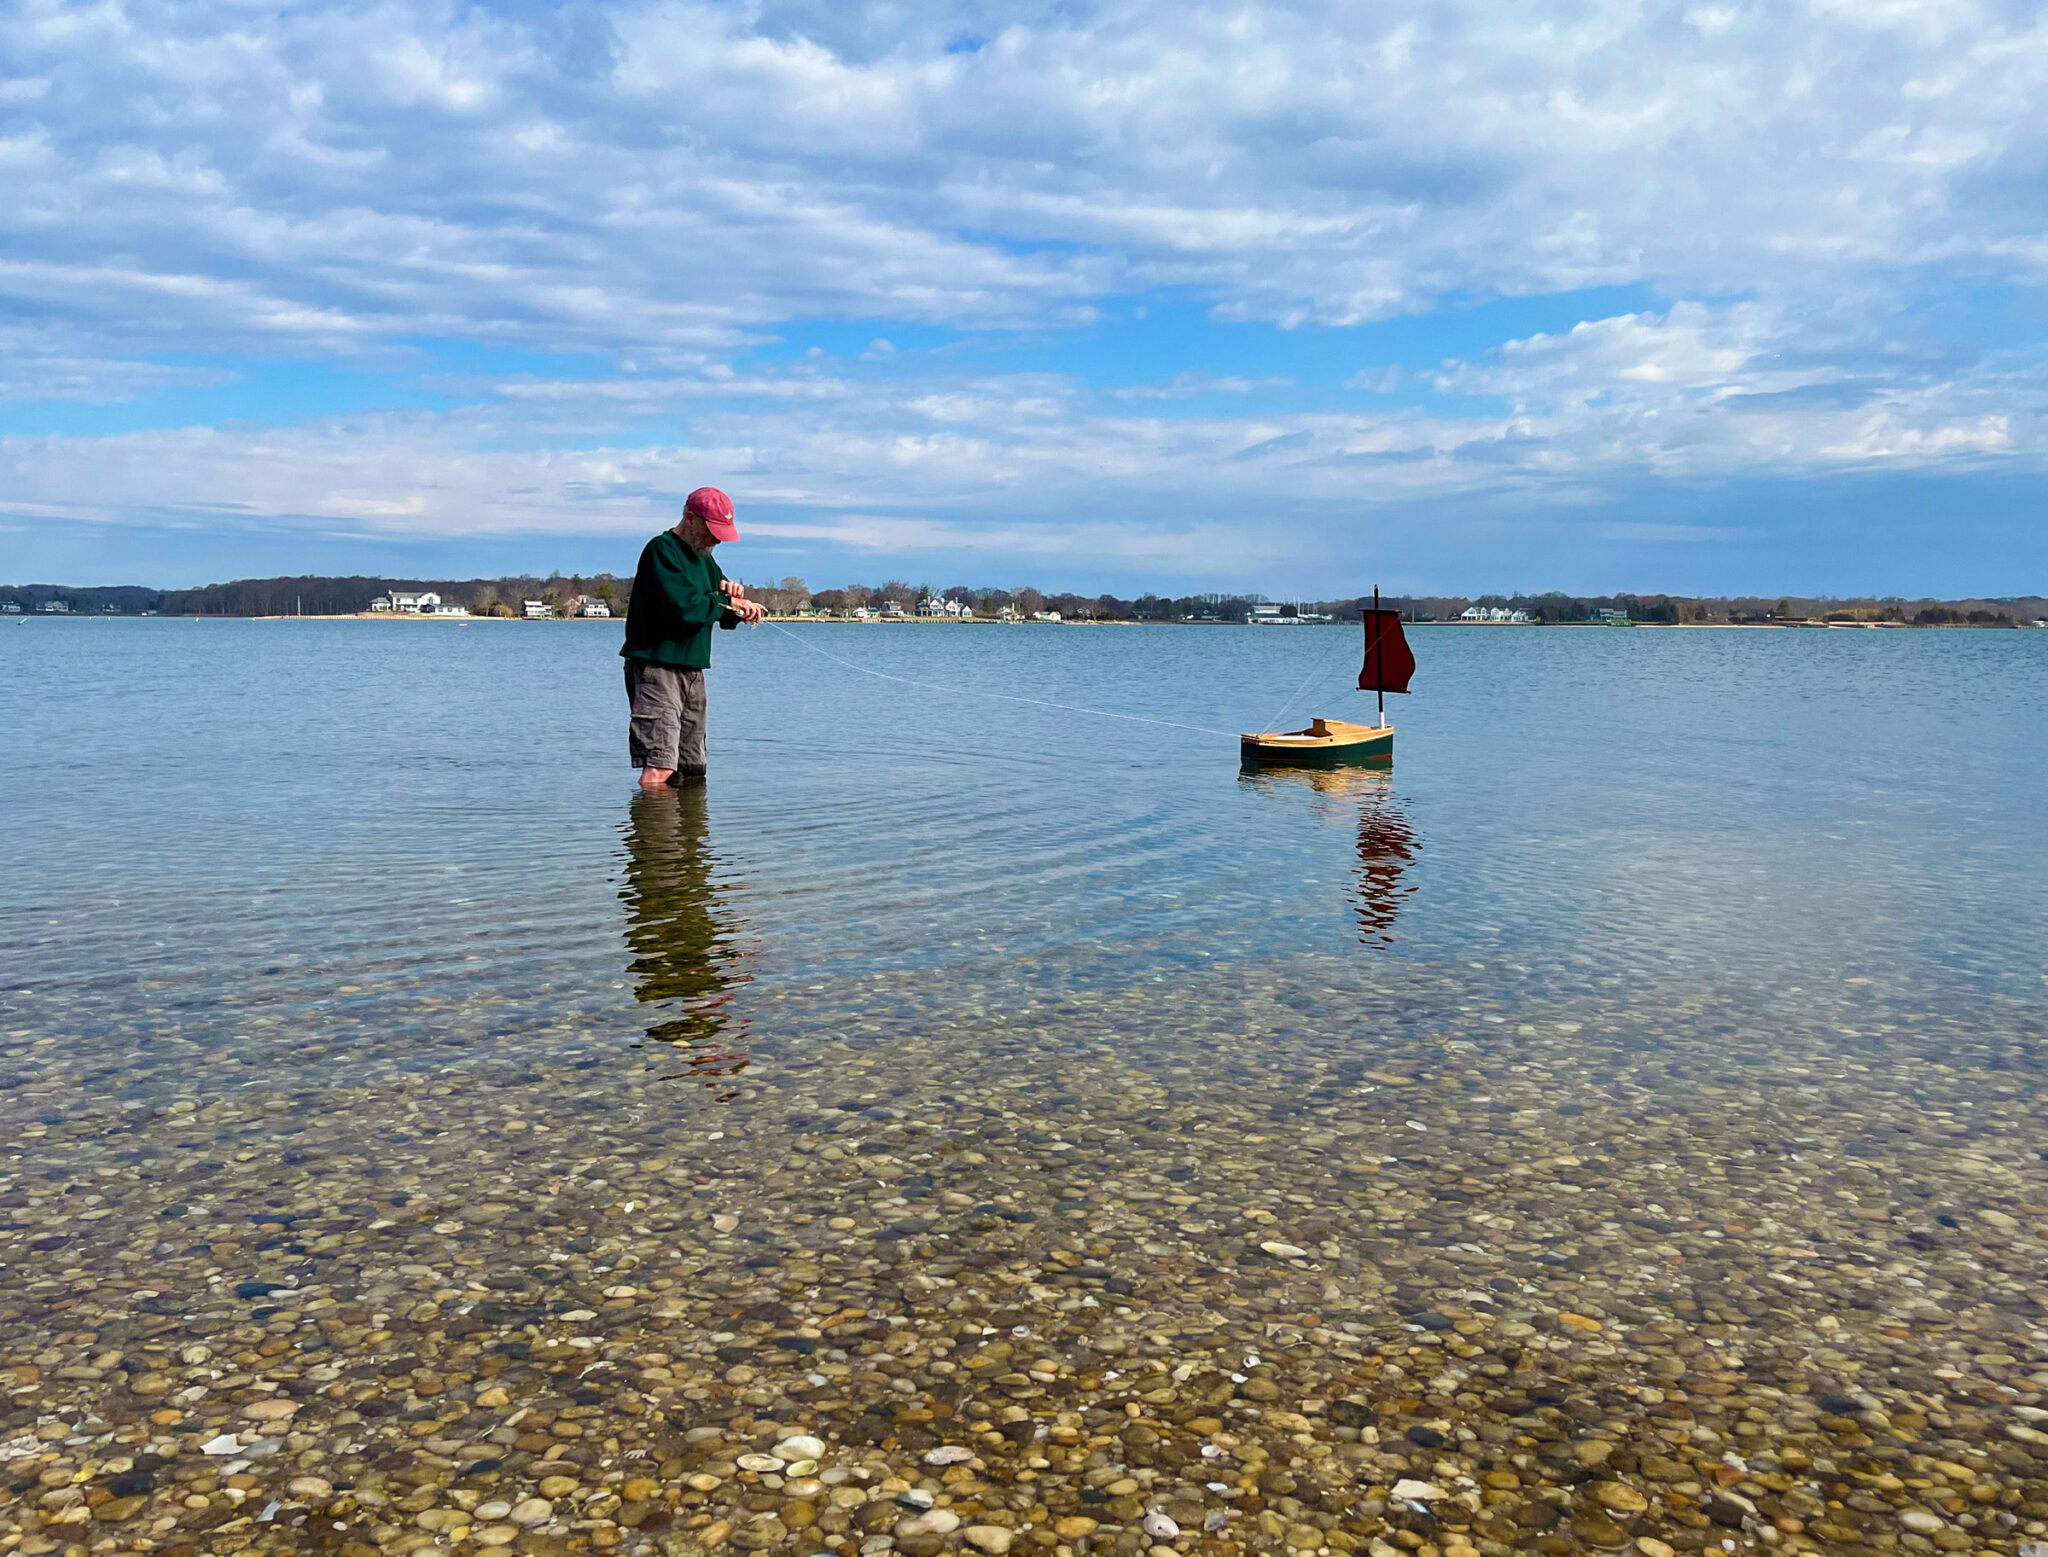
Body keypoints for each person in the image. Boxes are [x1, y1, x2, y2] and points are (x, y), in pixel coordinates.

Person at [621, 487, 764, 788]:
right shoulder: (662, 551)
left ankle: (689, 835)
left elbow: (719, 611)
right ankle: (652, 834)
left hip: (693, 671)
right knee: (660, 767)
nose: (717, 539)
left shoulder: (706, 560)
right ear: (690, 518)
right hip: (657, 667)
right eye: (713, 531)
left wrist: (741, 608)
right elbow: (687, 609)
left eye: (722, 533)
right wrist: (725, 602)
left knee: (692, 768)